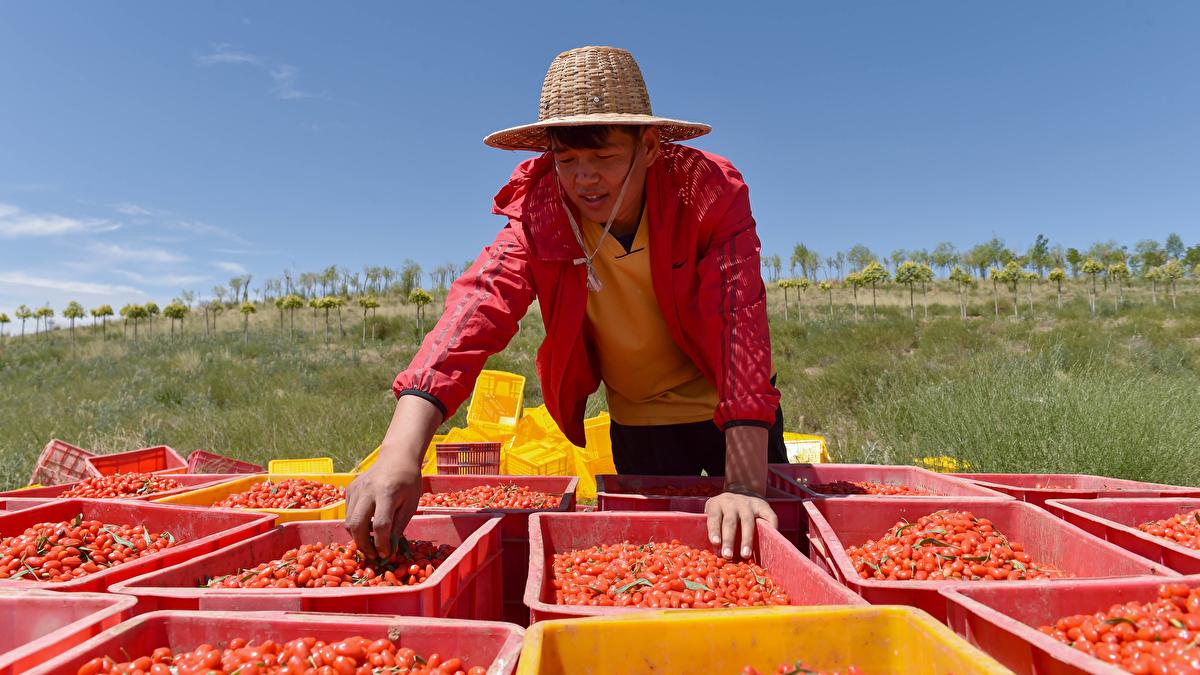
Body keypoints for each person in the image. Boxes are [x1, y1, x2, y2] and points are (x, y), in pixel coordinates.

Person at [346, 45, 786, 563]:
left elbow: (739, 323)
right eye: (568, 161)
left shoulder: (706, 195)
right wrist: (401, 451)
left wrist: (746, 487)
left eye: (603, 158)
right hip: (639, 419)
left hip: (735, 412)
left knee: (759, 555)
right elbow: (476, 310)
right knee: (665, 562)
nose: (584, 179)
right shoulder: (544, 212)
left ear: (648, 146)